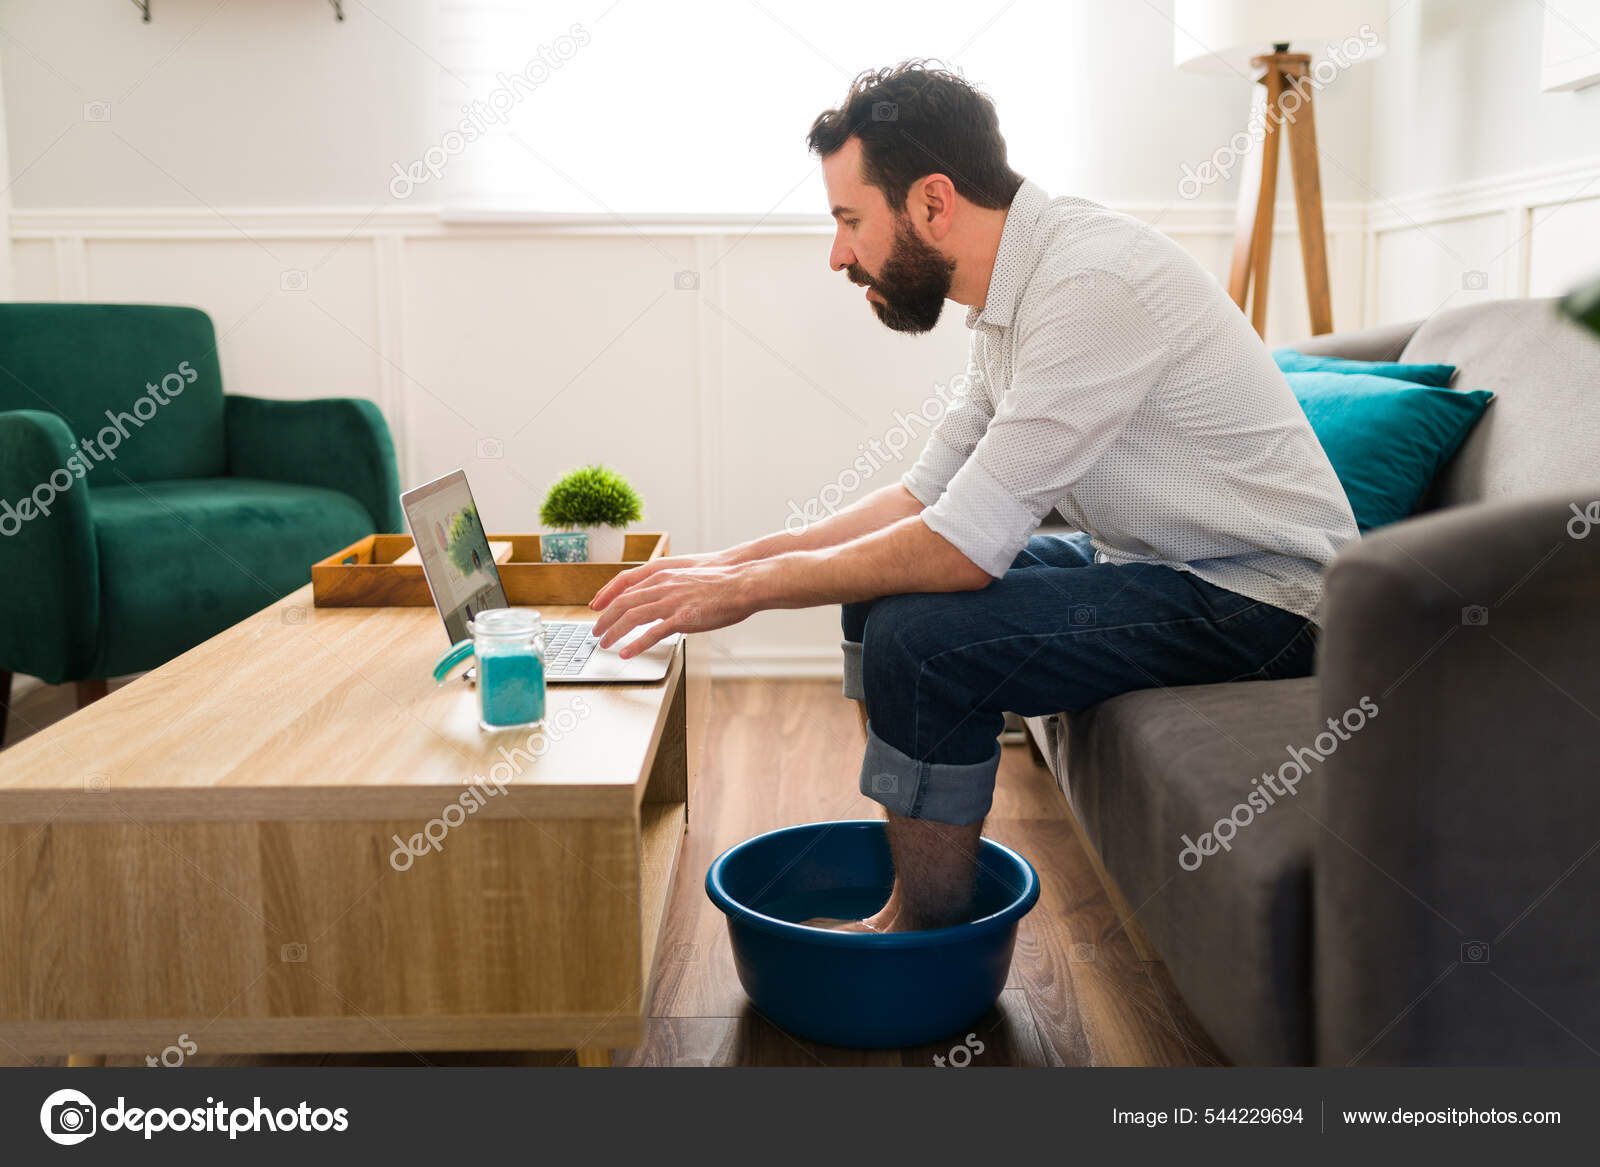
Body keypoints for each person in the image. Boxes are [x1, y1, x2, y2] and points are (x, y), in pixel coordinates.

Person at [588, 61, 1358, 933]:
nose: (838, 253)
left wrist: (744, 593)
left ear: (932, 203)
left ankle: (925, 935)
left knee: (922, 642)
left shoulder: (1088, 285)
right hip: (1164, 566)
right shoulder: (1015, 293)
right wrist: (733, 559)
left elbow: (960, 546)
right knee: (875, 592)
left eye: (849, 220)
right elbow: (927, 496)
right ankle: (912, 815)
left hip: (1265, 601)